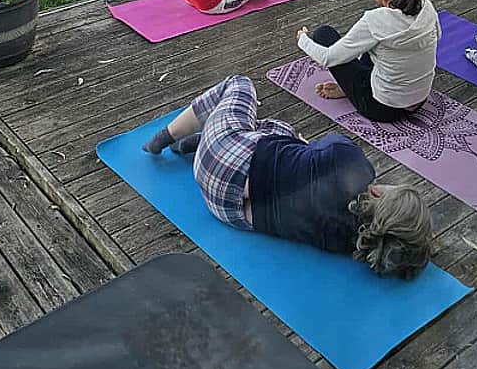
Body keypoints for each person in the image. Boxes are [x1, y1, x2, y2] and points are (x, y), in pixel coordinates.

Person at [141, 75, 432, 278]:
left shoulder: (354, 166)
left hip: (224, 154)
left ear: (380, 194)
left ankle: (168, 135)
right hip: (224, 210)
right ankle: (201, 139)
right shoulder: (348, 244)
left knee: (241, 85)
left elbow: (328, 143)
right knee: (279, 134)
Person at [295, 0, 440, 122]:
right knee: (373, 46)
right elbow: (437, 36)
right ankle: (350, 89)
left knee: (323, 34)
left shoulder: (374, 21)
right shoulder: (424, 4)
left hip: (382, 108)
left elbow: (328, 58)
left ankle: (352, 91)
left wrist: (303, 39)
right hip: (419, 99)